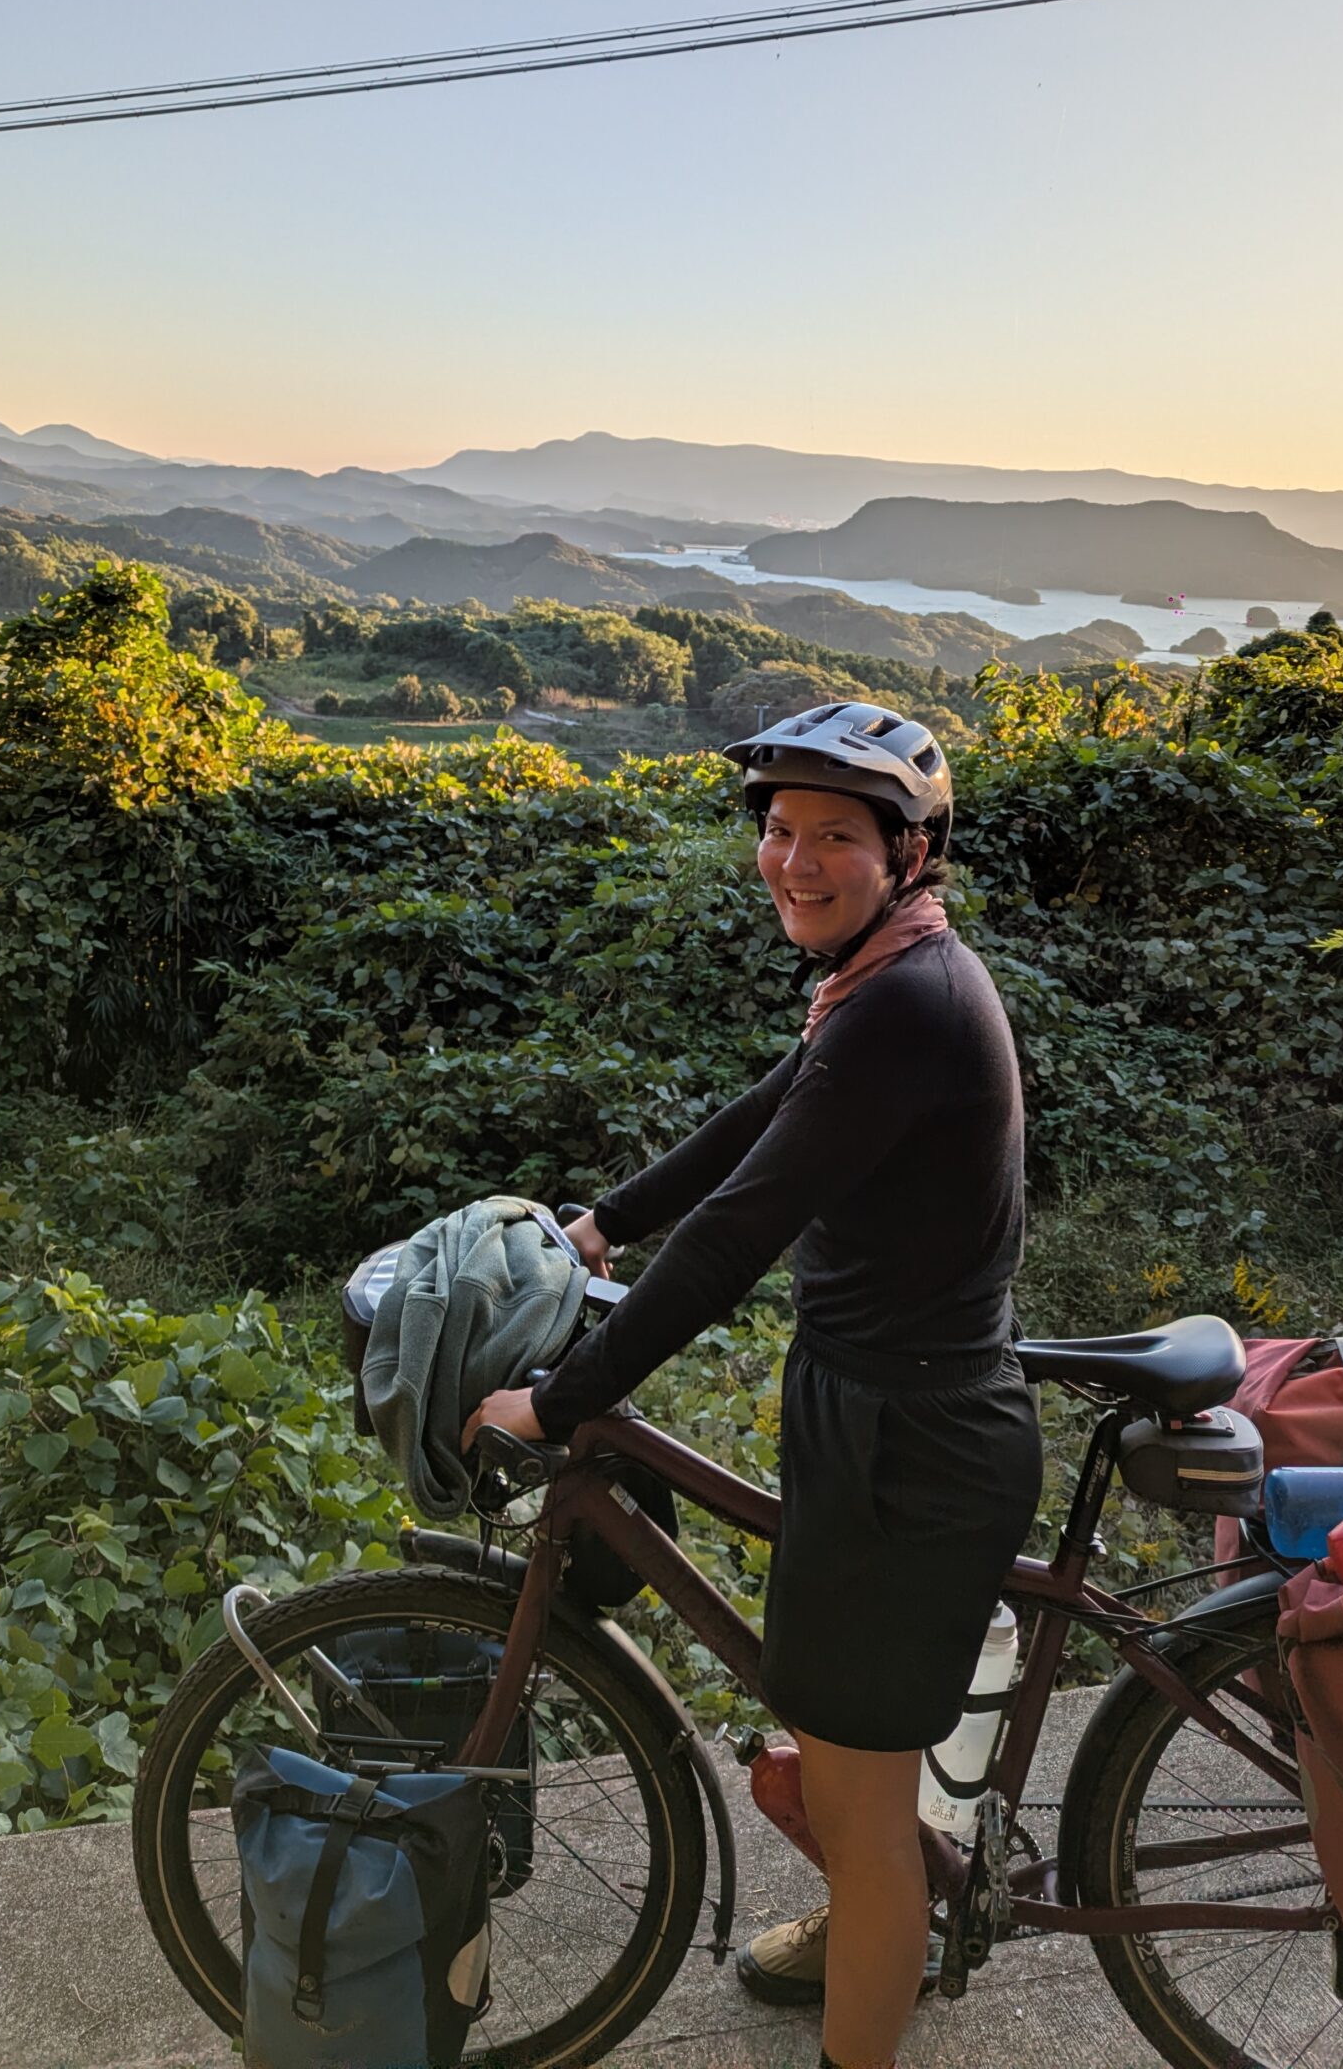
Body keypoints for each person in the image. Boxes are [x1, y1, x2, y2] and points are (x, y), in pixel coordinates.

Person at [466, 702, 1041, 2069]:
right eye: (778, 832)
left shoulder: (908, 1000)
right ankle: (864, 1912)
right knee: (839, 1746)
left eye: (833, 835)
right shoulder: (882, 977)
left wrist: (558, 1402)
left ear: (907, 852)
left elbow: (739, 1233)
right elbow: (761, 1119)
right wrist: (600, 1224)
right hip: (875, 1412)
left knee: (860, 1803)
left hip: (913, 1445)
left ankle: (872, 1954)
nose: (793, 859)